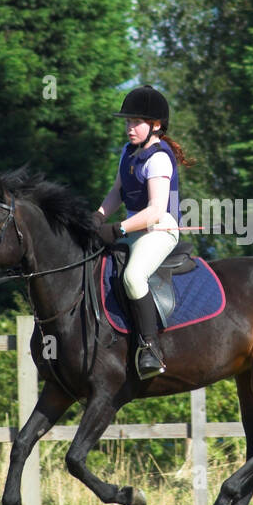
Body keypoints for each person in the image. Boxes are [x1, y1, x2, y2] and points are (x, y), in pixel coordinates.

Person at [93, 85, 192, 378]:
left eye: (135, 122)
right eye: (127, 122)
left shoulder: (159, 158)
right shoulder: (128, 151)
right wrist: (97, 218)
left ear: (156, 125)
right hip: (134, 228)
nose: (129, 128)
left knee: (133, 277)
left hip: (159, 230)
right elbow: (116, 192)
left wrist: (118, 228)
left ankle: (150, 348)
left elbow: (155, 211)